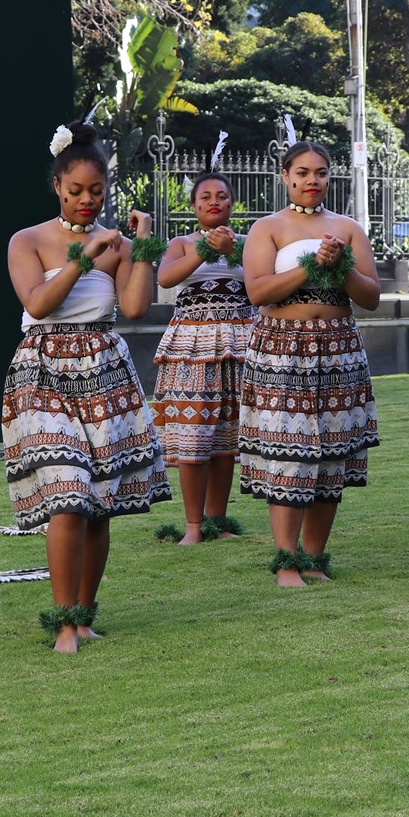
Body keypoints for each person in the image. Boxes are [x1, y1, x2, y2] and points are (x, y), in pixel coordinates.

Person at [2, 122, 170, 652]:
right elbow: (37, 303)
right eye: (75, 190)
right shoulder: (27, 241)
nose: (86, 200)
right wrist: (82, 257)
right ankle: (63, 621)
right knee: (68, 494)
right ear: (57, 185)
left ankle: (85, 614)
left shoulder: (116, 245)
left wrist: (142, 244)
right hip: (43, 371)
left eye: (96, 191)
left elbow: (136, 307)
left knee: (98, 501)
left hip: (103, 370)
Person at [239, 133, 380, 586]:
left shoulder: (348, 228)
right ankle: (286, 562)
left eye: (321, 173)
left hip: (338, 349)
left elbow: (371, 297)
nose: (312, 180)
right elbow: (258, 291)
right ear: (285, 176)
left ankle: (315, 559)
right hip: (281, 348)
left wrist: (342, 266)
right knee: (290, 451)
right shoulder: (267, 228)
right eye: (302, 173)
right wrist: (312, 266)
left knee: (330, 456)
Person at [151, 160, 254, 545]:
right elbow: (166, 277)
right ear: (194, 206)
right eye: (205, 197)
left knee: (226, 435)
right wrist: (206, 250)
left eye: (221, 196)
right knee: (193, 434)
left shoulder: (249, 242)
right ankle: (193, 526)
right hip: (191, 345)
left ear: (232, 204)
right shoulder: (181, 243)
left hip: (239, 344)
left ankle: (217, 521)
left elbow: (262, 278)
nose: (214, 201)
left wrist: (232, 249)